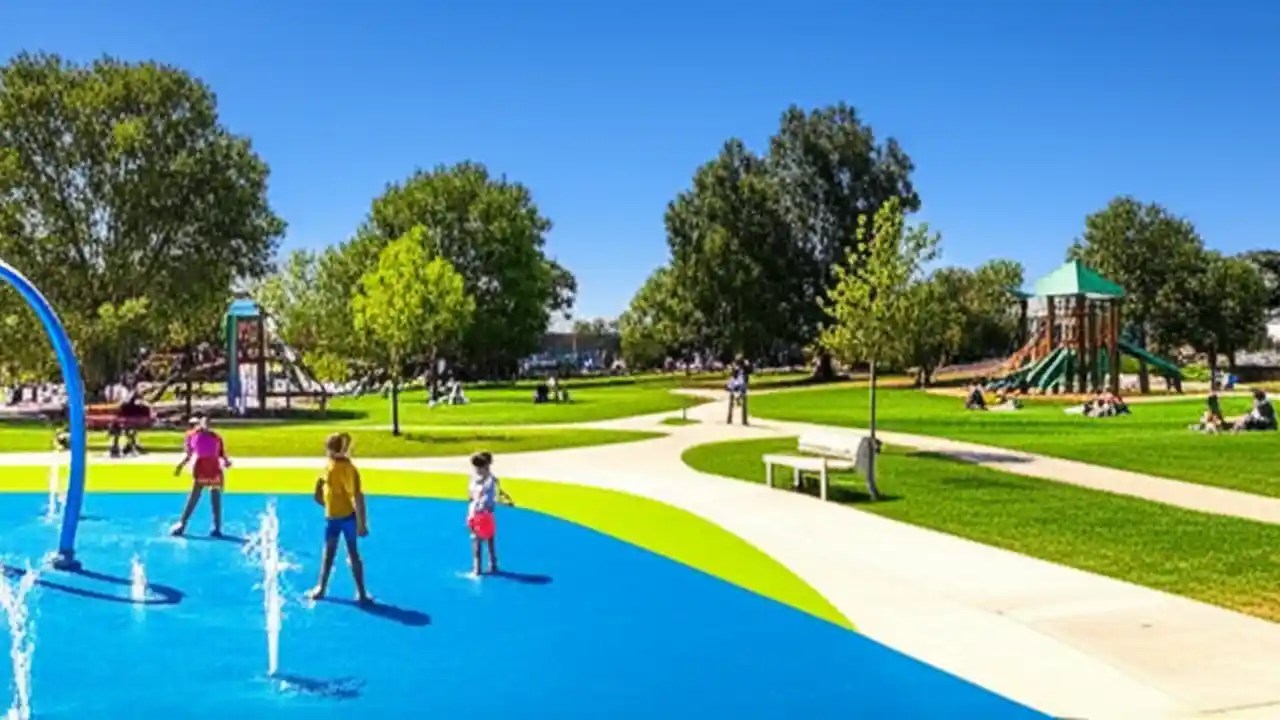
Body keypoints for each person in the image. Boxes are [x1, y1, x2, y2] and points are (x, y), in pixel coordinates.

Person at [306, 432, 371, 603]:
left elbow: (357, 496)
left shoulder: (348, 469)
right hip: (332, 517)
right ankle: (322, 586)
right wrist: (322, 497)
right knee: (329, 553)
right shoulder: (330, 465)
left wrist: (361, 523)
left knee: (351, 553)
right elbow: (322, 489)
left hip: (346, 518)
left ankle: (361, 592)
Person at [170, 416, 231, 537]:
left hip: (214, 468)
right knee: (194, 496)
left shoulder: (216, 437)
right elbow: (189, 454)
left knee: (215, 497)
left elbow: (221, 453)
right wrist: (180, 466)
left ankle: (217, 527)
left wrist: (226, 461)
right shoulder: (192, 436)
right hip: (201, 467)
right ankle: (182, 524)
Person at [467, 451, 513, 575]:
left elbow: (475, 496)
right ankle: (492, 564)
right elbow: (471, 496)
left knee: (478, 540)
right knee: (487, 538)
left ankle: (478, 569)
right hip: (481, 513)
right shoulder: (485, 479)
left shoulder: (486, 480)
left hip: (481, 513)